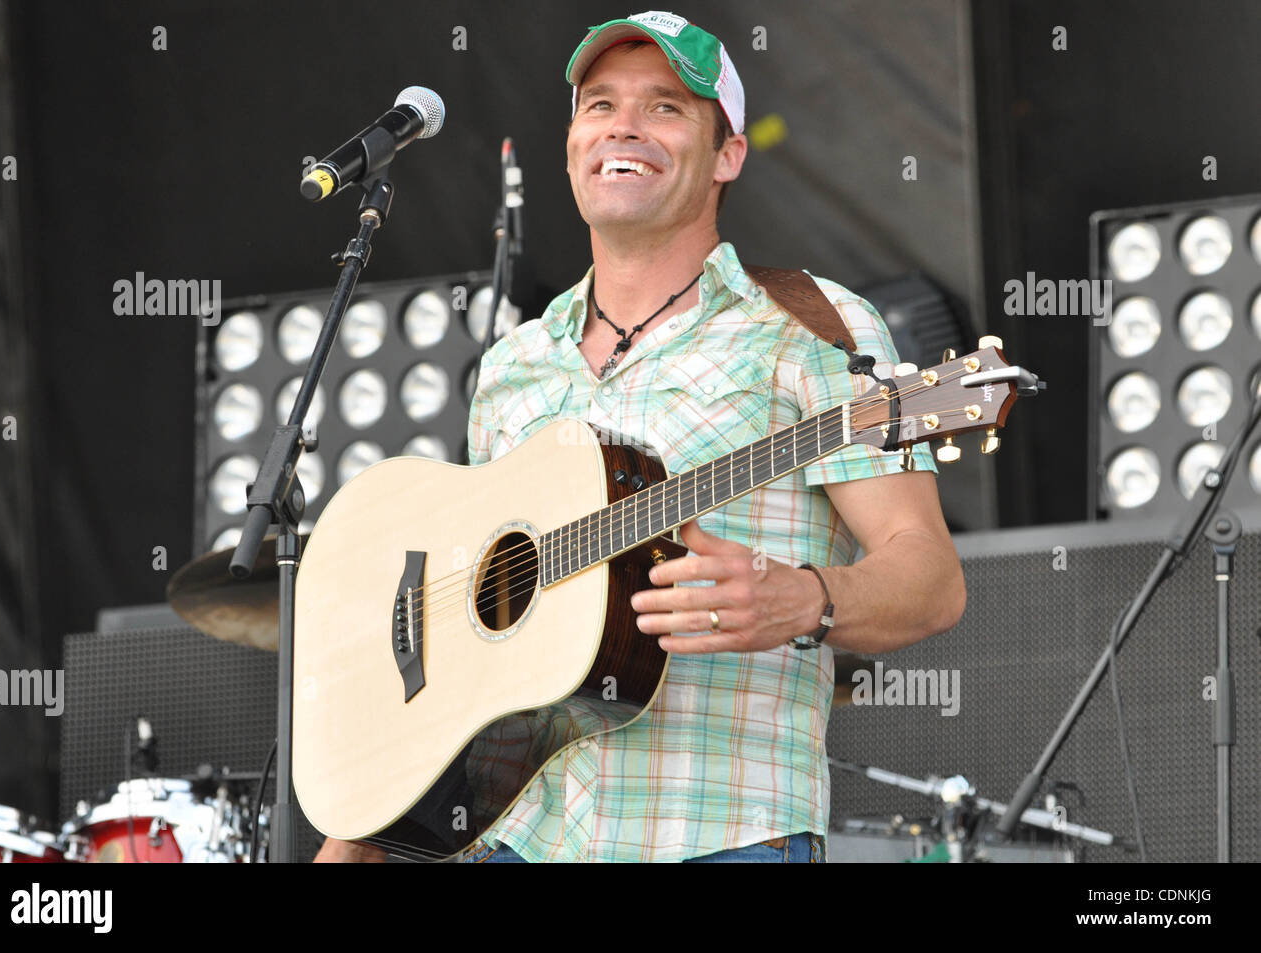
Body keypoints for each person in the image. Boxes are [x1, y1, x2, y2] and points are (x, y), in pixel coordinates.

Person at [316, 10, 964, 864]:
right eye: (600, 104)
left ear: (726, 154)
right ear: (573, 142)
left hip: (718, 833)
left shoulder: (814, 326)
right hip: (516, 838)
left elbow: (931, 577)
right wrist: (355, 834)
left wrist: (805, 597)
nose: (623, 123)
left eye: (665, 107)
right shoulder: (514, 362)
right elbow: (461, 660)